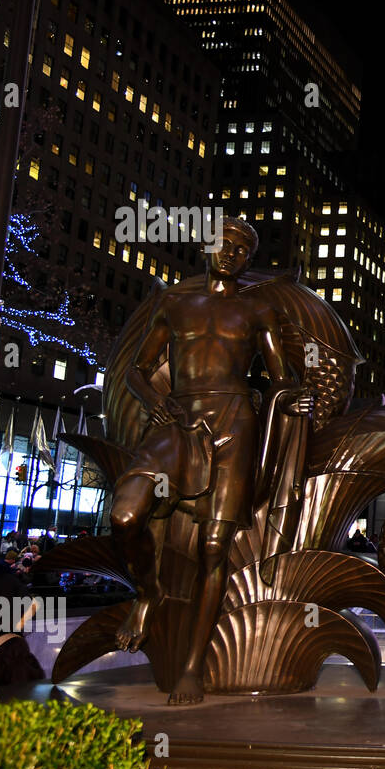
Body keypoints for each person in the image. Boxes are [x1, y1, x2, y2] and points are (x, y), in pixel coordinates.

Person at [109, 217, 314, 705]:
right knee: (125, 515)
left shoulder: (258, 309)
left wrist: (292, 398)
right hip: (178, 419)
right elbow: (138, 369)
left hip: (234, 421)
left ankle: (191, 668)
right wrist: (153, 401)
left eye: (242, 248)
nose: (231, 252)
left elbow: (279, 376)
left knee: (215, 545)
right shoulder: (174, 304)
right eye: (225, 242)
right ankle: (149, 593)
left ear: (249, 259)